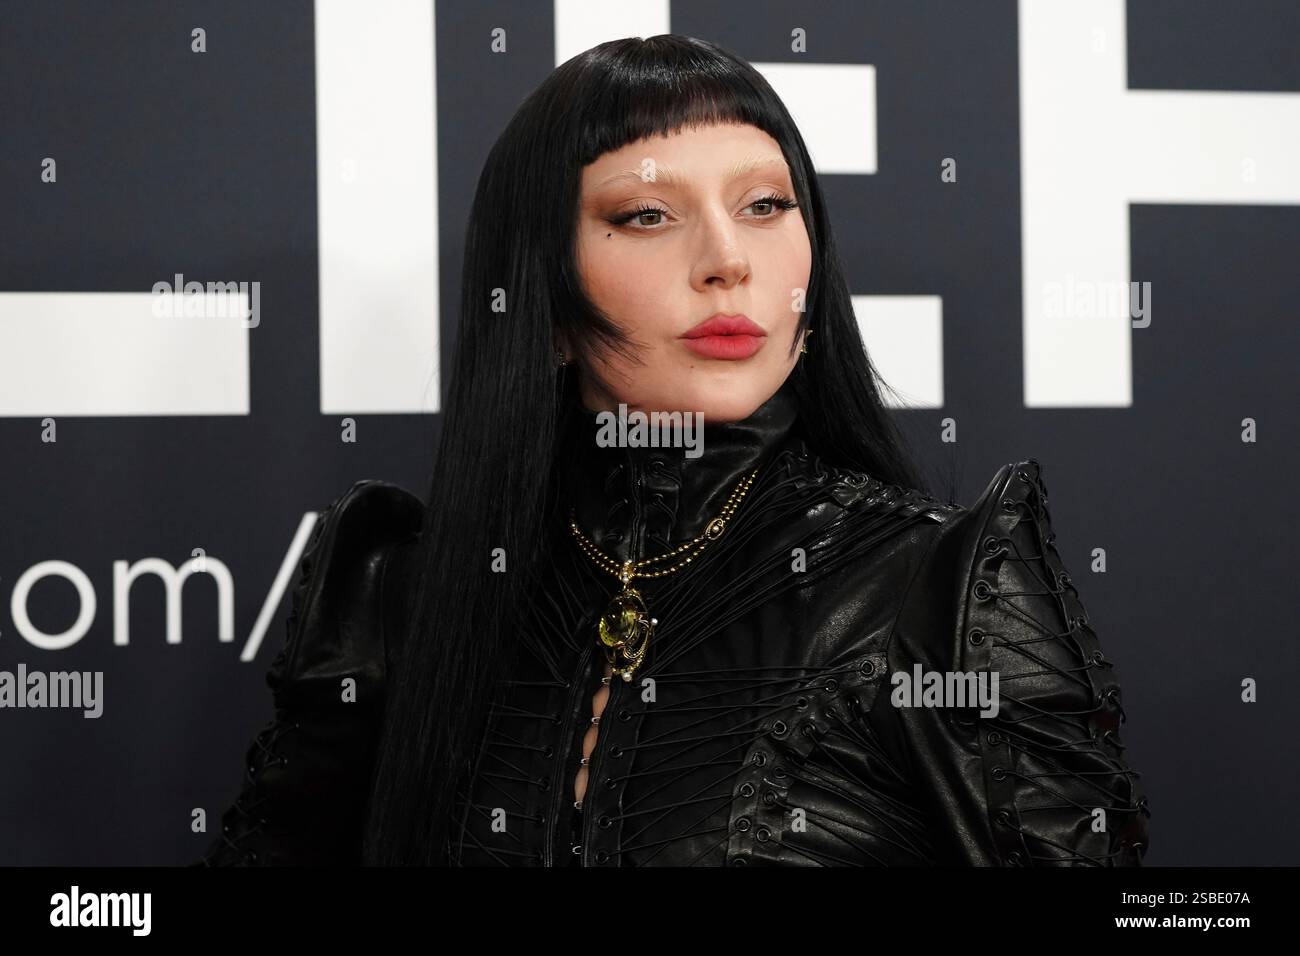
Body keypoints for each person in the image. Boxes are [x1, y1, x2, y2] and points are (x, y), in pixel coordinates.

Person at [197, 34, 1149, 867]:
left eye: (765, 205)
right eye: (648, 215)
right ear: (546, 298)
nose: (727, 260)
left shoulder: (939, 592)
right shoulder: (400, 590)